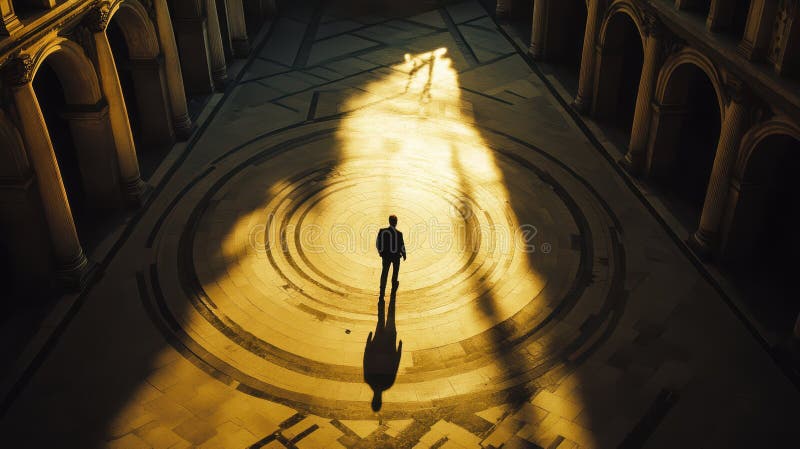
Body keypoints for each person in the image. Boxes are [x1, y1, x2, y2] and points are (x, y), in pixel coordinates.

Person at [376, 215, 406, 300]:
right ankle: (393, 287)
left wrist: (381, 253)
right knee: (395, 272)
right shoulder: (399, 234)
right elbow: (402, 245)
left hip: (386, 256)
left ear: (389, 222)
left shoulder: (382, 231)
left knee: (384, 273)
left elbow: (378, 243)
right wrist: (404, 254)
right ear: (396, 223)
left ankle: (382, 291)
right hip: (396, 256)